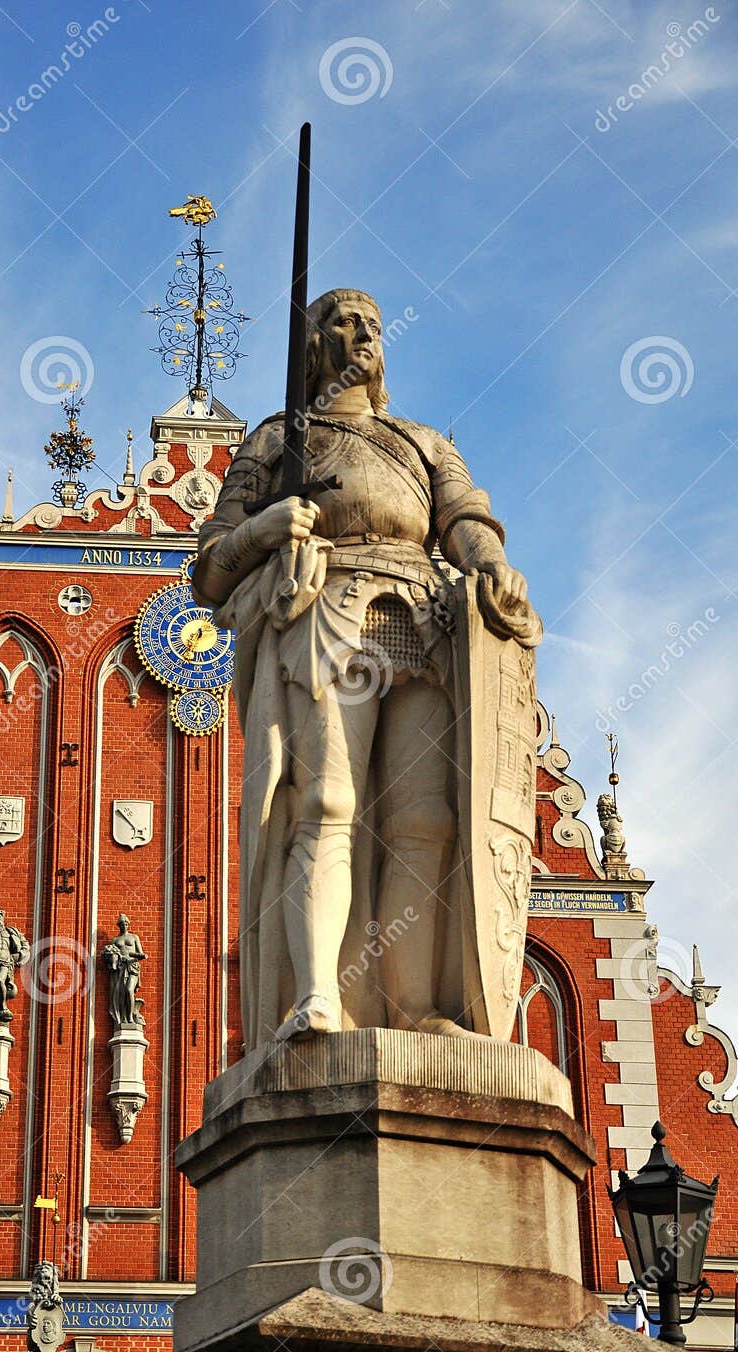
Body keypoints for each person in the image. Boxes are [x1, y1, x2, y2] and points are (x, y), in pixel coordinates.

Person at [193, 288, 541, 1048]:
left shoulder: (420, 442)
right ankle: (318, 993)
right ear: (315, 343)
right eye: (344, 323)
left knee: (427, 820)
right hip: (331, 611)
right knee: (327, 802)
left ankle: (413, 1005)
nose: (363, 336)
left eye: (373, 326)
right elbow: (210, 568)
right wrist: (264, 528)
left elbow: (465, 520)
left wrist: (491, 566)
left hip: (423, 623)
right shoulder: (279, 439)